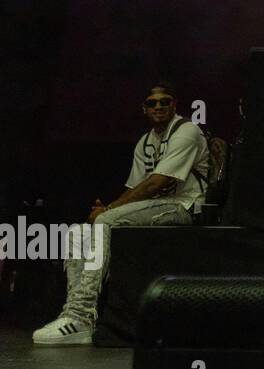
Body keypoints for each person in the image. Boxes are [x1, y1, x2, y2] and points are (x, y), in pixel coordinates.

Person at [33, 83, 210, 345]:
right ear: (144, 108)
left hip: (184, 206)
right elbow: (134, 188)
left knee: (105, 220)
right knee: (79, 231)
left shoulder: (186, 131)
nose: (158, 106)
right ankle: (73, 317)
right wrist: (107, 207)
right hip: (154, 208)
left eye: (165, 101)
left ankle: (82, 313)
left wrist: (109, 210)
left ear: (174, 105)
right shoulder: (146, 141)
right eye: (152, 103)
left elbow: (156, 182)